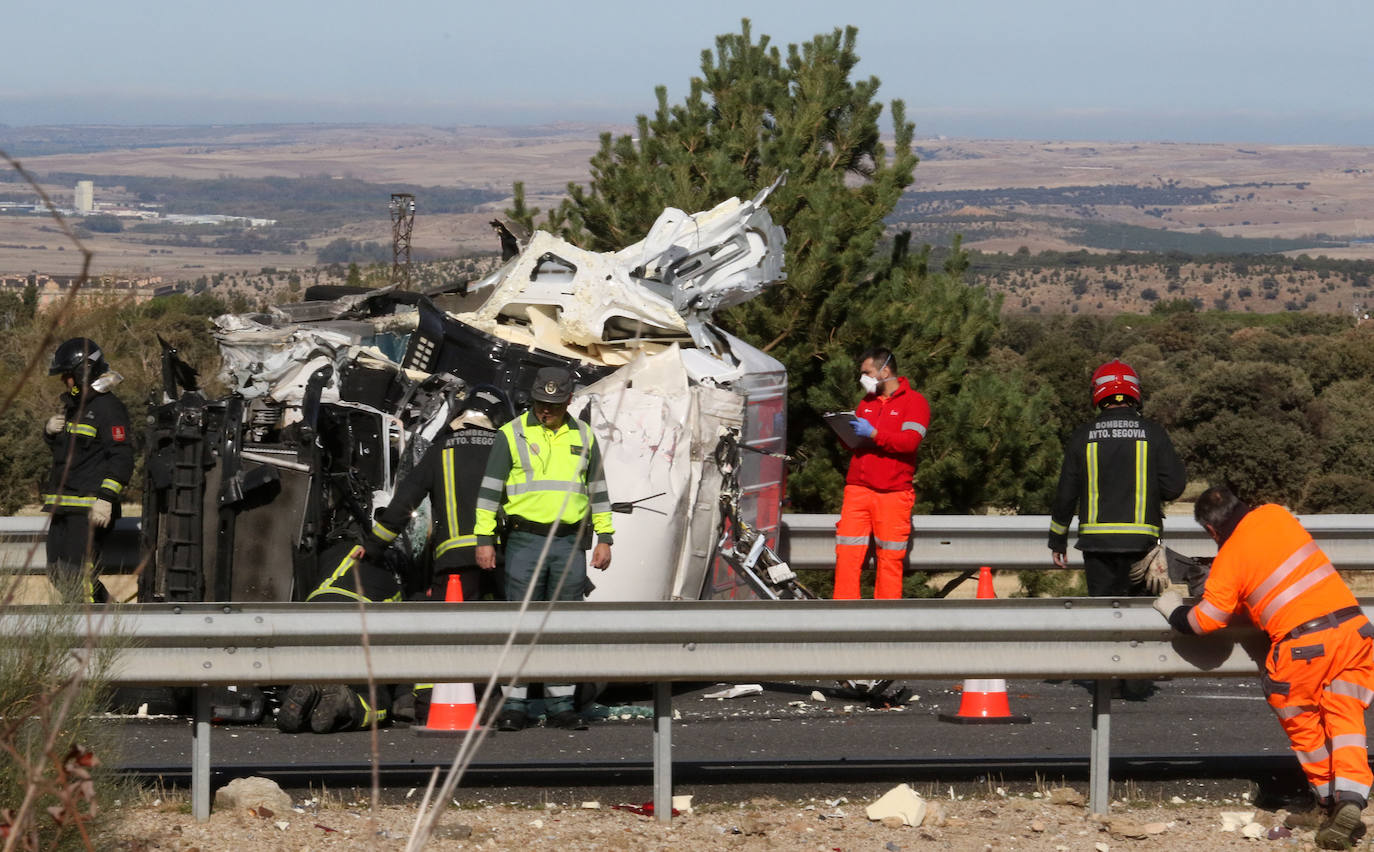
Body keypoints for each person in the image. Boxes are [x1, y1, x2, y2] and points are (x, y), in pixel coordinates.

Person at [1154, 485, 1373, 850]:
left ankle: (1327, 803)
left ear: (1211, 531)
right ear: (1244, 506)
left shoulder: (1229, 560)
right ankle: (1351, 798)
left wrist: (1173, 609)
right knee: (1345, 717)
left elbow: (1206, 621)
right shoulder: (1276, 514)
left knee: (1301, 720)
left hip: (1304, 645)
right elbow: (1274, 580)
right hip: (1354, 630)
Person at [474, 366, 614, 732]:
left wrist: (606, 537)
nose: (545, 411)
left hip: (569, 543)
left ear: (569, 400)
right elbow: (490, 492)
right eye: (540, 403)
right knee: (520, 624)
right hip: (524, 540)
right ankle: (514, 705)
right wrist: (484, 539)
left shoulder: (584, 436)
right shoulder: (511, 434)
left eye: (553, 404)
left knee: (562, 626)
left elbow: (598, 490)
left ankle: (561, 703)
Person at [1048, 359, 1186, 595]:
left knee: (1104, 617)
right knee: (1141, 619)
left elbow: (1065, 495)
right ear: (1134, 392)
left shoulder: (1082, 437)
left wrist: (1057, 541)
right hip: (1142, 545)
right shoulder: (1154, 434)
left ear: (1098, 393)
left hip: (1097, 547)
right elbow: (1174, 487)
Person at [832, 347, 930, 600]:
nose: (862, 378)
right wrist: (845, 432)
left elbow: (909, 442)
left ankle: (885, 623)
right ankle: (841, 619)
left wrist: (874, 434)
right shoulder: (866, 402)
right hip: (857, 489)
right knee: (847, 556)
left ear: (885, 371)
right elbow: (856, 442)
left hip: (893, 493)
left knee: (889, 559)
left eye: (867, 372)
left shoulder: (915, 402)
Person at [42, 337, 133, 603]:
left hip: (90, 509)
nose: (63, 381)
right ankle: (108, 611)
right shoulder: (75, 407)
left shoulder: (108, 408)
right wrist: (49, 434)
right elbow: (68, 456)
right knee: (58, 572)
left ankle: (91, 636)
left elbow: (122, 456)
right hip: (64, 507)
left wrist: (105, 498)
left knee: (77, 576)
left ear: (83, 371)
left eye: (67, 375)